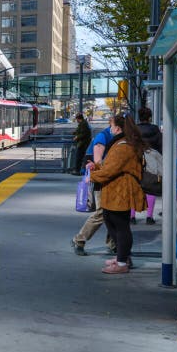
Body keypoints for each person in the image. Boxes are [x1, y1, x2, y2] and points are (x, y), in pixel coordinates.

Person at [87, 114, 147, 274]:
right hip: (115, 190)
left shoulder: (123, 147)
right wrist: (97, 167)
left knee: (120, 226)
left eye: (111, 126)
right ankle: (123, 257)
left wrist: (92, 176)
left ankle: (122, 263)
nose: (110, 129)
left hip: (120, 191)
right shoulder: (121, 144)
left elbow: (111, 170)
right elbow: (110, 166)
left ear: (118, 128)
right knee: (110, 220)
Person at [71, 124, 115, 255]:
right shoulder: (104, 136)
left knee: (113, 213)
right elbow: (97, 162)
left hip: (111, 180)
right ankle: (79, 239)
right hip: (102, 179)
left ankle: (113, 243)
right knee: (102, 212)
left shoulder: (116, 137)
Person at [131, 107, 163, 224]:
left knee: (135, 188)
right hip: (152, 162)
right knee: (151, 188)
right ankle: (149, 217)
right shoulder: (155, 130)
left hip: (137, 161)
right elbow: (161, 146)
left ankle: (132, 217)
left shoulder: (135, 130)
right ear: (150, 118)